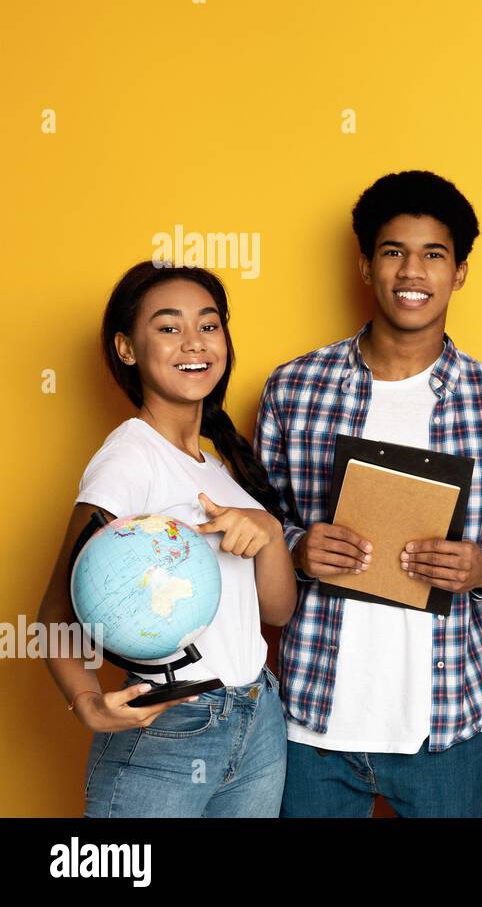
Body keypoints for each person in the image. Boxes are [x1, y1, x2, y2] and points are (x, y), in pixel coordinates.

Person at [256, 170, 482, 818]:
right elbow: (255, 526)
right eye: (393, 252)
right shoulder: (293, 389)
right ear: (365, 264)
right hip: (313, 724)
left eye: (434, 254)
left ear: (460, 272)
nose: (413, 271)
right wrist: (295, 548)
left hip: (443, 724)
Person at [37, 261, 296, 817]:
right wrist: (86, 702)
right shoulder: (129, 458)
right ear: (127, 348)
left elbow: (276, 611)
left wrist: (271, 535)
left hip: (258, 716)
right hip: (172, 726)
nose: (194, 343)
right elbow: (55, 611)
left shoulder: (221, 463)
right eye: (168, 327)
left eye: (208, 325)